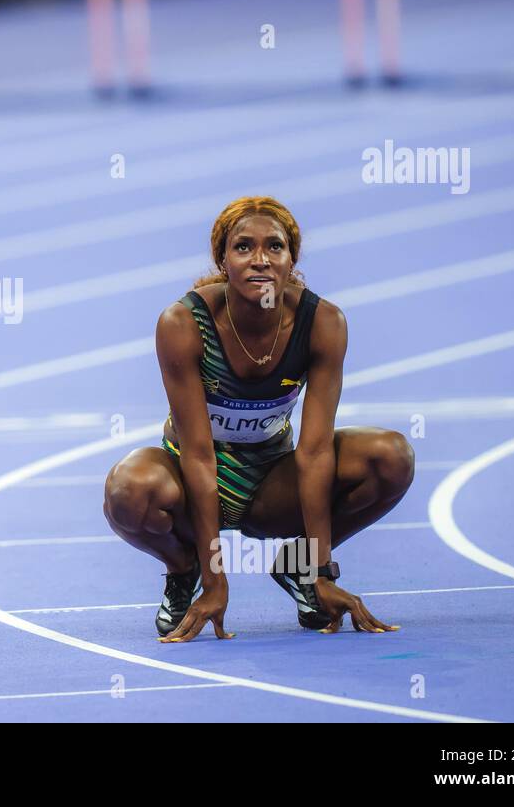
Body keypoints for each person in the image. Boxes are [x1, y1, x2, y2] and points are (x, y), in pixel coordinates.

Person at [102, 196, 414, 641]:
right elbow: (198, 453)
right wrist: (215, 578)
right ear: (222, 260)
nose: (260, 260)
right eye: (244, 247)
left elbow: (315, 450)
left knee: (390, 457)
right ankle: (183, 565)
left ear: (292, 260)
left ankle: (297, 570)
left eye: (275, 247)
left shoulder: (323, 323)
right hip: (191, 484)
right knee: (128, 490)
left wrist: (320, 568)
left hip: (271, 486)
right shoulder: (183, 323)